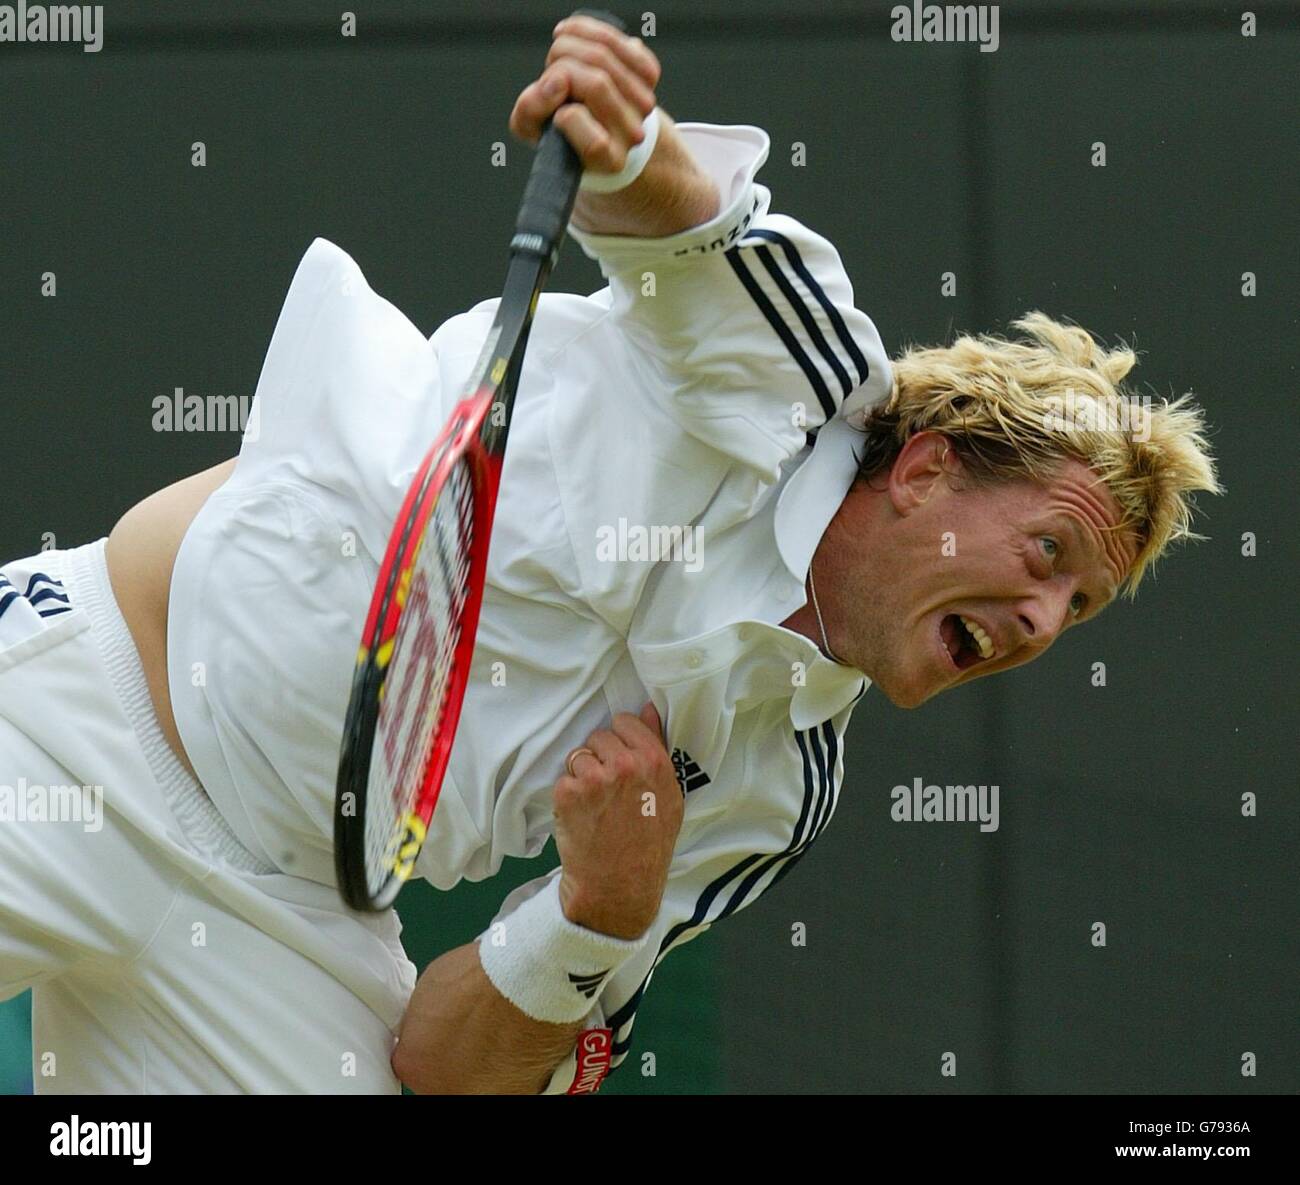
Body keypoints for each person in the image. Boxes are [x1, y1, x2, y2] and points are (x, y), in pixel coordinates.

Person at [0, 15, 1218, 1094]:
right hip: (71, 715)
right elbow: (685, 228)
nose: (1045, 620)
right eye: (1049, 550)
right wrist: (628, 140)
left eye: (1079, 605)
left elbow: (446, 1069)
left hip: (286, 914)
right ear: (927, 469)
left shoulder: (774, 795)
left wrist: (600, 911)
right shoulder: (801, 381)